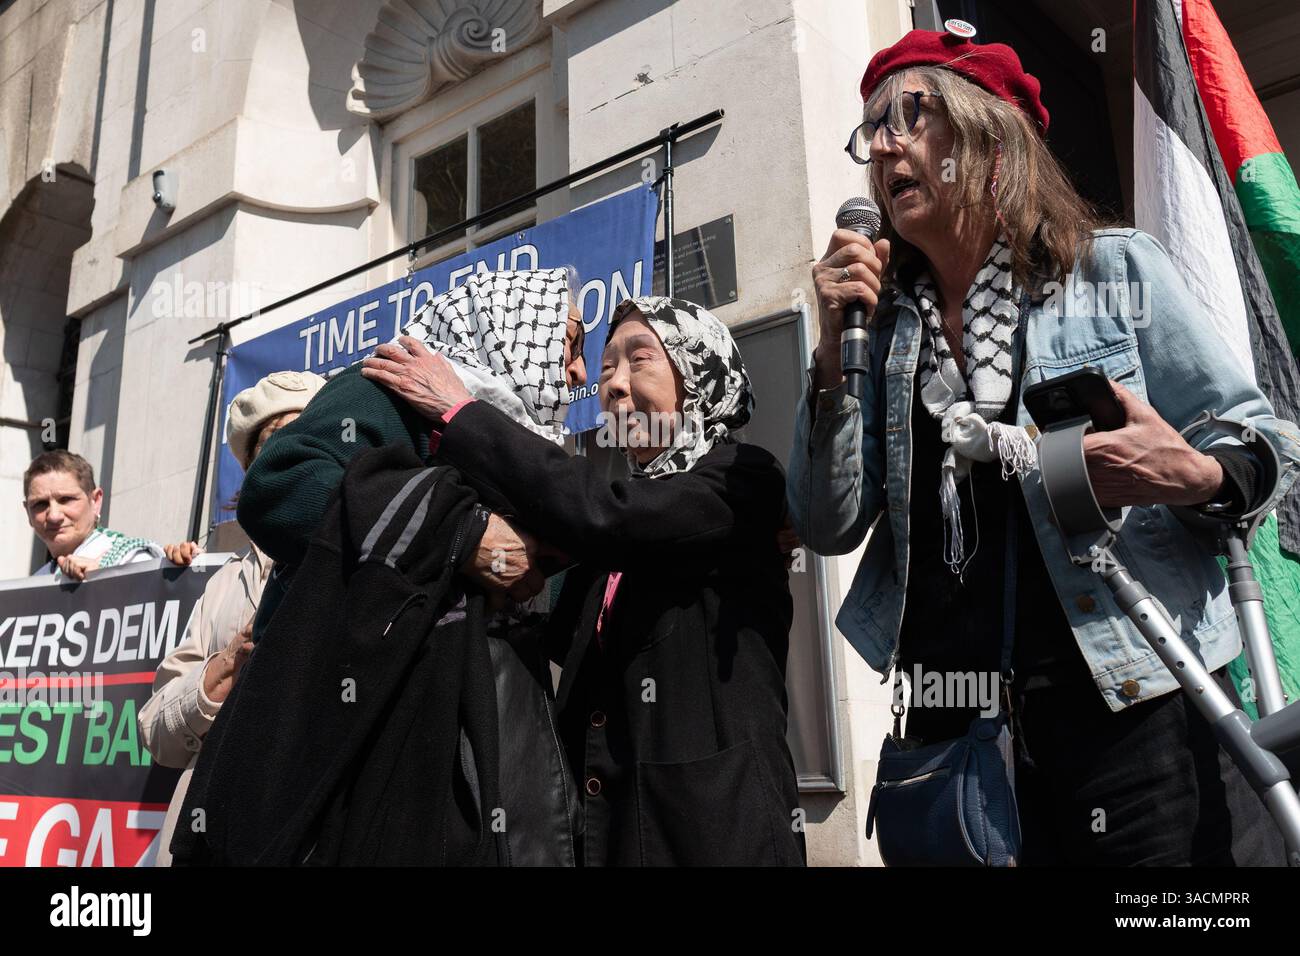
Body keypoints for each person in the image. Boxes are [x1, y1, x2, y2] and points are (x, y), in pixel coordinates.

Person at [787, 28, 1300, 865]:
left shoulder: (1113, 273)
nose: (881, 146)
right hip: (952, 743)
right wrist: (827, 363)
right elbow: (824, 521)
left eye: (908, 115)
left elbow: (1266, 440)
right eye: (870, 129)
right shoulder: (878, 338)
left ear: (991, 138)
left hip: (1128, 721)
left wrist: (1196, 473)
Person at [363, 295, 806, 866]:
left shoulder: (741, 480)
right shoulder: (623, 518)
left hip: (716, 830)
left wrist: (463, 413)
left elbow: (604, 514)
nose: (614, 385)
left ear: (698, 376)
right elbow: (553, 605)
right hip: (616, 833)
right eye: (604, 367)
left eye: (640, 359)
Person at [208, 268, 588, 865]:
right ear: (510, 328)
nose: (580, 374)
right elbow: (282, 492)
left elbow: (554, 593)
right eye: (569, 345)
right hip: (361, 757)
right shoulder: (391, 388)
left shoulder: (510, 446)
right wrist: (462, 534)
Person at [138, 370, 326, 866]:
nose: (296, 453)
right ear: (250, 471)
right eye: (275, 442)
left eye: (313, 433)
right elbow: (156, 732)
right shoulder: (222, 586)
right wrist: (219, 675)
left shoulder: (375, 551)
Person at [22, 450, 195, 580]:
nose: (53, 515)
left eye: (66, 499)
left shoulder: (133, 558)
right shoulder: (34, 583)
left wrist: (105, 580)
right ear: (27, 512)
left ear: (95, 501)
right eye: (40, 504)